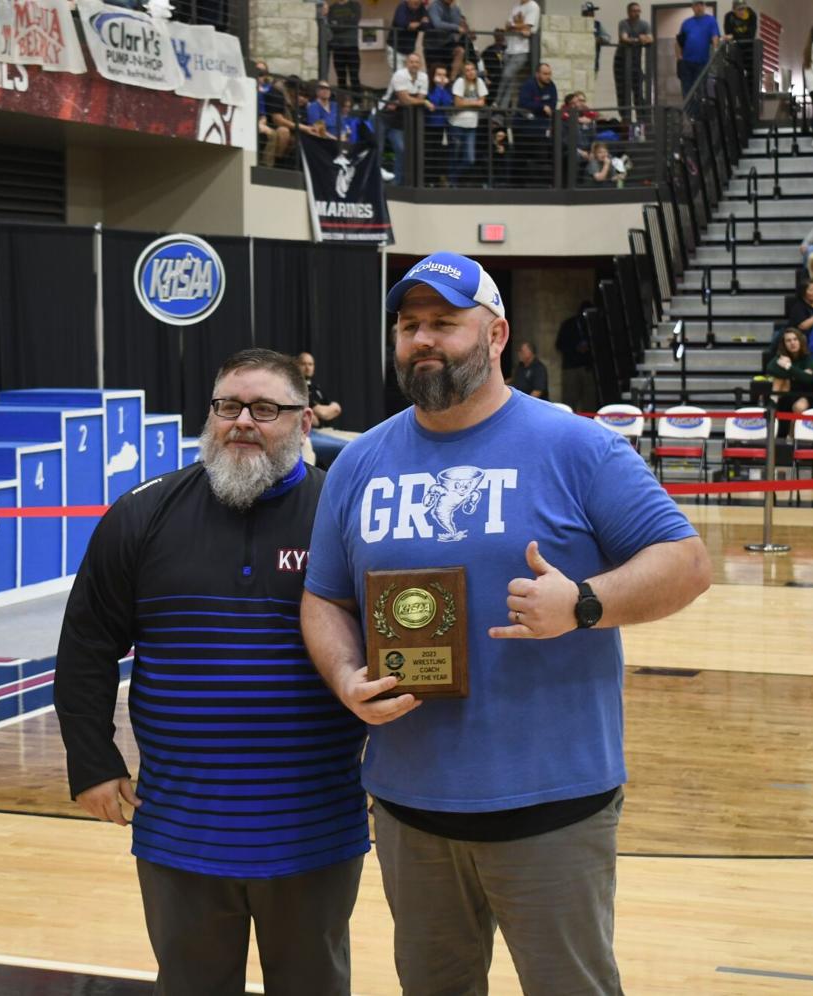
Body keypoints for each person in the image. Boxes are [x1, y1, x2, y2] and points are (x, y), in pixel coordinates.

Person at [300, 251, 711, 996]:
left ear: (495, 337)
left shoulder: (576, 445)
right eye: (409, 324)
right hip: (409, 804)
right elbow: (325, 596)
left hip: (551, 805)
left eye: (445, 324)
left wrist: (584, 603)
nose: (423, 340)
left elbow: (686, 563)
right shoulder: (361, 462)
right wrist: (343, 675)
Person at [54, 348, 367, 996]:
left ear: (306, 422)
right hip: (179, 833)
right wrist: (91, 760)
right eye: (228, 406)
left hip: (314, 830)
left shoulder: (344, 517)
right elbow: (86, 645)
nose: (242, 422)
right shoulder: (142, 515)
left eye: (265, 409)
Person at [298, 352, 354, 467]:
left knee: (360, 440)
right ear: (297, 365)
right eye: (304, 364)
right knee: (346, 447)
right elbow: (322, 414)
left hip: (326, 429)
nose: (308, 367)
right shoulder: (298, 388)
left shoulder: (316, 388)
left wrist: (327, 411)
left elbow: (337, 408)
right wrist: (329, 410)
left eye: (310, 364)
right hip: (310, 433)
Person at [383, 52, 429, 186]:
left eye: (417, 62)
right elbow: (405, 100)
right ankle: (395, 182)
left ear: (420, 64)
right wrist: (422, 102)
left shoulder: (424, 77)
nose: (414, 64)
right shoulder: (399, 74)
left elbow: (415, 100)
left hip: (404, 121)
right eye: (411, 62)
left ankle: (400, 181)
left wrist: (413, 99)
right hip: (386, 116)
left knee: (404, 150)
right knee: (395, 148)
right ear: (406, 63)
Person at [449, 61, 487, 185]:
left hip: (472, 126)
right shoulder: (460, 82)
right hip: (457, 124)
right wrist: (474, 103)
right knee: (455, 155)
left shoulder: (479, 82)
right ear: (464, 73)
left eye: (472, 69)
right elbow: (457, 103)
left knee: (470, 159)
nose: (471, 72)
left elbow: (482, 102)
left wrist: (467, 102)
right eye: (468, 70)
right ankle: (451, 183)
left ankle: (452, 177)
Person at [766, 327, 813, 417]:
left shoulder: (809, 357)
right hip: (788, 390)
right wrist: (799, 373)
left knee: (799, 407)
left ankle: (773, 402)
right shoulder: (783, 356)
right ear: (784, 344)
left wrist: (788, 367)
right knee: (780, 377)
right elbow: (769, 368)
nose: (792, 343)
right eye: (788, 340)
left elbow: (808, 379)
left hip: (806, 392)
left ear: (800, 341)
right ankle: (773, 401)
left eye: (795, 339)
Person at [497, 0, 541, 109]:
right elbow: (507, 26)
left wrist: (514, 25)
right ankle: (501, 110)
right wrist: (518, 25)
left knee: (507, 74)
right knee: (509, 80)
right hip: (510, 49)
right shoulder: (516, 6)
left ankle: (498, 103)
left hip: (521, 50)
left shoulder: (533, 6)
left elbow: (528, 28)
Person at [614, 2, 652, 122]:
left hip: (635, 63)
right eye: (634, 11)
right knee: (623, 92)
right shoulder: (624, 23)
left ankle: (642, 120)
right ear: (629, 12)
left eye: (638, 11)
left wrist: (642, 39)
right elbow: (623, 38)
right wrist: (639, 39)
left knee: (639, 92)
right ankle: (625, 119)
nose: (637, 13)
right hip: (621, 62)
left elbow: (651, 38)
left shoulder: (644, 24)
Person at [556, 302, 596, 412]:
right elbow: (559, 345)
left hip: (587, 368)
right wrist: (575, 348)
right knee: (569, 400)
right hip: (571, 367)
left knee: (589, 401)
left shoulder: (593, 325)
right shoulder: (568, 324)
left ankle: (588, 425)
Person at [676, 0, 720, 98]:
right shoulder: (686, 23)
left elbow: (715, 37)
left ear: (704, 6)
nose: (699, 7)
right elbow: (679, 41)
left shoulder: (711, 20)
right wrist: (679, 57)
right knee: (687, 91)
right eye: (696, 5)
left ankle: (700, 113)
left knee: (701, 90)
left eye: (701, 5)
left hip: (702, 62)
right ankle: (690, 112)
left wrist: (715, 51)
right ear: (692, 7)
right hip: (686, 62)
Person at [324, 0, 362, 90]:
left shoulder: (355, 5)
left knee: (354, 77)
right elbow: (331, 24)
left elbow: (354, 21)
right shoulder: (332, 8)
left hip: (352, 46)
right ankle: (342, 102)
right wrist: (344, 22)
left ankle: (357, 102)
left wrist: (337, 23)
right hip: (337, 47)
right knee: (341, 78)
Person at [724, 0, 758, 92]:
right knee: (735, 77)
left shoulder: (752, 15)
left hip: (749, 50)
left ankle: (751, 102)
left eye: (743, 9)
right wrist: (733, 36)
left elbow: (751, 35)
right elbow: (728, 33)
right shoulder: (729, 17)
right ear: (734, 10)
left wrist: (734, 36)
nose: (742, 12)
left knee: (751, 79)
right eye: (739, 9)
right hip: (735, 50)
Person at [389, 0, 429, 72]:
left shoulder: (421, 8)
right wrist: (420, 23)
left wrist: (415, 25)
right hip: (395, 48)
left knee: (410, 75)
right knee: (399, 75)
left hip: (410, 50)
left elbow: (427, 25)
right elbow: (401, 23)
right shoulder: (402, 6)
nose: (417, 2)